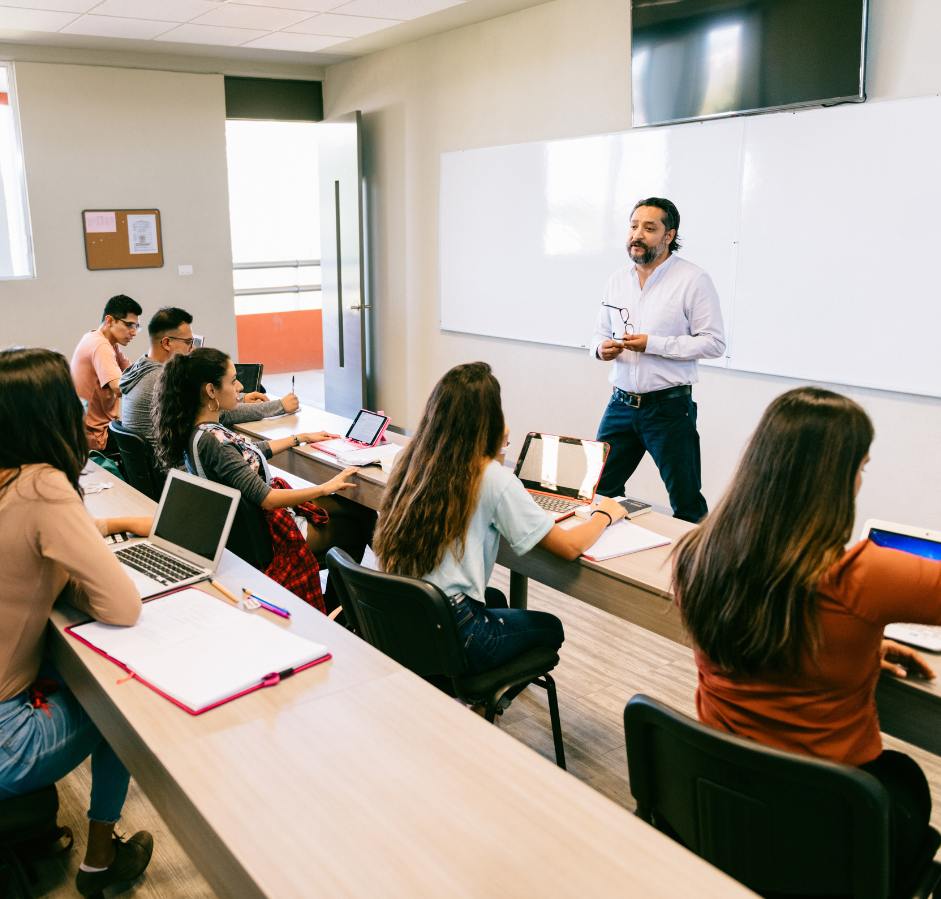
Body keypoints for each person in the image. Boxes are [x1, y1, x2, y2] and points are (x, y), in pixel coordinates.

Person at [0, 347, 155, 898]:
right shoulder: (42, 484)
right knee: (125, 703)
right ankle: (102, 861)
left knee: (72, 675)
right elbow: (123, 607)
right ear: (53, 412)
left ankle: (38, 831)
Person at [674, 386, 941, 893]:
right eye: (861, 467)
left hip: (722, 800)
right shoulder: (861, 575)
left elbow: (768, 630)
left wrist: (853, 647)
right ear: (836, 479)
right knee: (906, 779)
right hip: (825, 826)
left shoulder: (698, 553)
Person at [374, 362, 626, 676]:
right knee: (550, 629)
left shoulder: (410, 457)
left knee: (496, 599)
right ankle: (483, 705)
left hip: (402, 613)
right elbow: (570, 547)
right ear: (489, 418)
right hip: (453, 626)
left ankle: (475, 693)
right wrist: (605, 514)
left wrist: (497, 446)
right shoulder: (490, 477)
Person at [153, 347, 375, 611]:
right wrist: (325, 487)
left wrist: (299, 438)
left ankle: (343, 605)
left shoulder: (200, 431)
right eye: (233, 380)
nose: (240, 387)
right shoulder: (216, 443)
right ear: (210, 390)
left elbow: (248, 455)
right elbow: (268, 499)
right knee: (361, 522)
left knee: (357, 510)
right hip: (272, 534)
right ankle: (345, 608)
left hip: (249, 530)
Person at [590, 198, 725, 522]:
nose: (638, 234)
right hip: (620, 405)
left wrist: (654, 344)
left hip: (668, 410)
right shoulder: (617, 279)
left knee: (686, 501)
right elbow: (598, 333)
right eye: (634, 226)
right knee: (597, 491)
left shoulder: (693, 279)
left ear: (669, 235)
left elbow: (714, 343)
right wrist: (600, 349)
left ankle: (694, 570)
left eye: (649, 228)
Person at [119, 306, 299, 445]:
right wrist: (280, 406)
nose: (193, 348)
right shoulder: (162, 380)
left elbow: (205, 402)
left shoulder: (139, 368)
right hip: (176, 472)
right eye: (188, 342)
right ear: (167, 343)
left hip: (157, 473)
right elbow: (216, 412)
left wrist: (241, 398)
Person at [70, 294, 141, 454]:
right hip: (95, 437)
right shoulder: (100, 345)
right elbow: (119, 387)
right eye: (129, 325)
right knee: (150, 445)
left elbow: (132, 372)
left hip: (98, 428)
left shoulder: (105, 341)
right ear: (110, 321)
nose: (134, 332)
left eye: (136, 326)